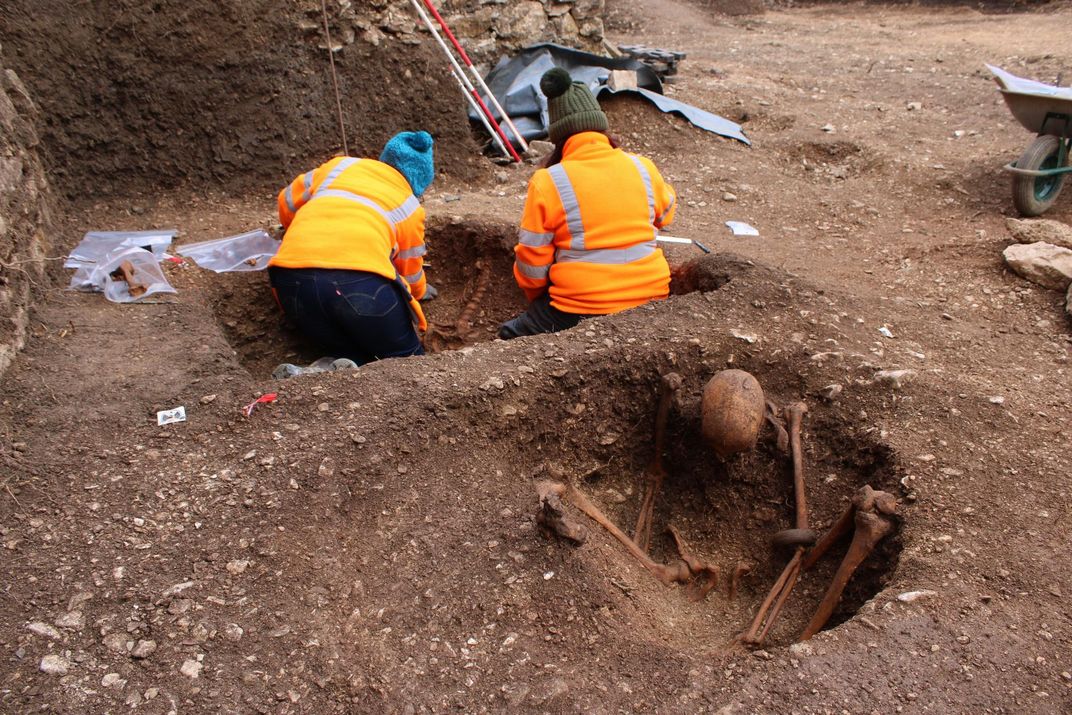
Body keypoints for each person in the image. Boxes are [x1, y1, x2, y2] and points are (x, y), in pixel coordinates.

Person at [499, 67, 677, 339]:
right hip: (651, 296)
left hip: (579, 307)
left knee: (509, 337)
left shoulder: (548, 181)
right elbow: (666, 215)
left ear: (558, 137)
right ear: (601, 126)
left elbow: (533, 264)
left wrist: (538, 298)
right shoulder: (642, 167)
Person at [267, 131, 438, 374]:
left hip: (290, 280)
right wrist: (420, 291)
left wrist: (296, 229)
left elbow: (286, 202)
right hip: (360, 286)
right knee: (409, 363)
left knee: (348, 344)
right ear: (418, 183)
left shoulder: (338, 167)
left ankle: (323, 368)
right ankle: (353, 365)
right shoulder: (408, 205)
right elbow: (409, 269)